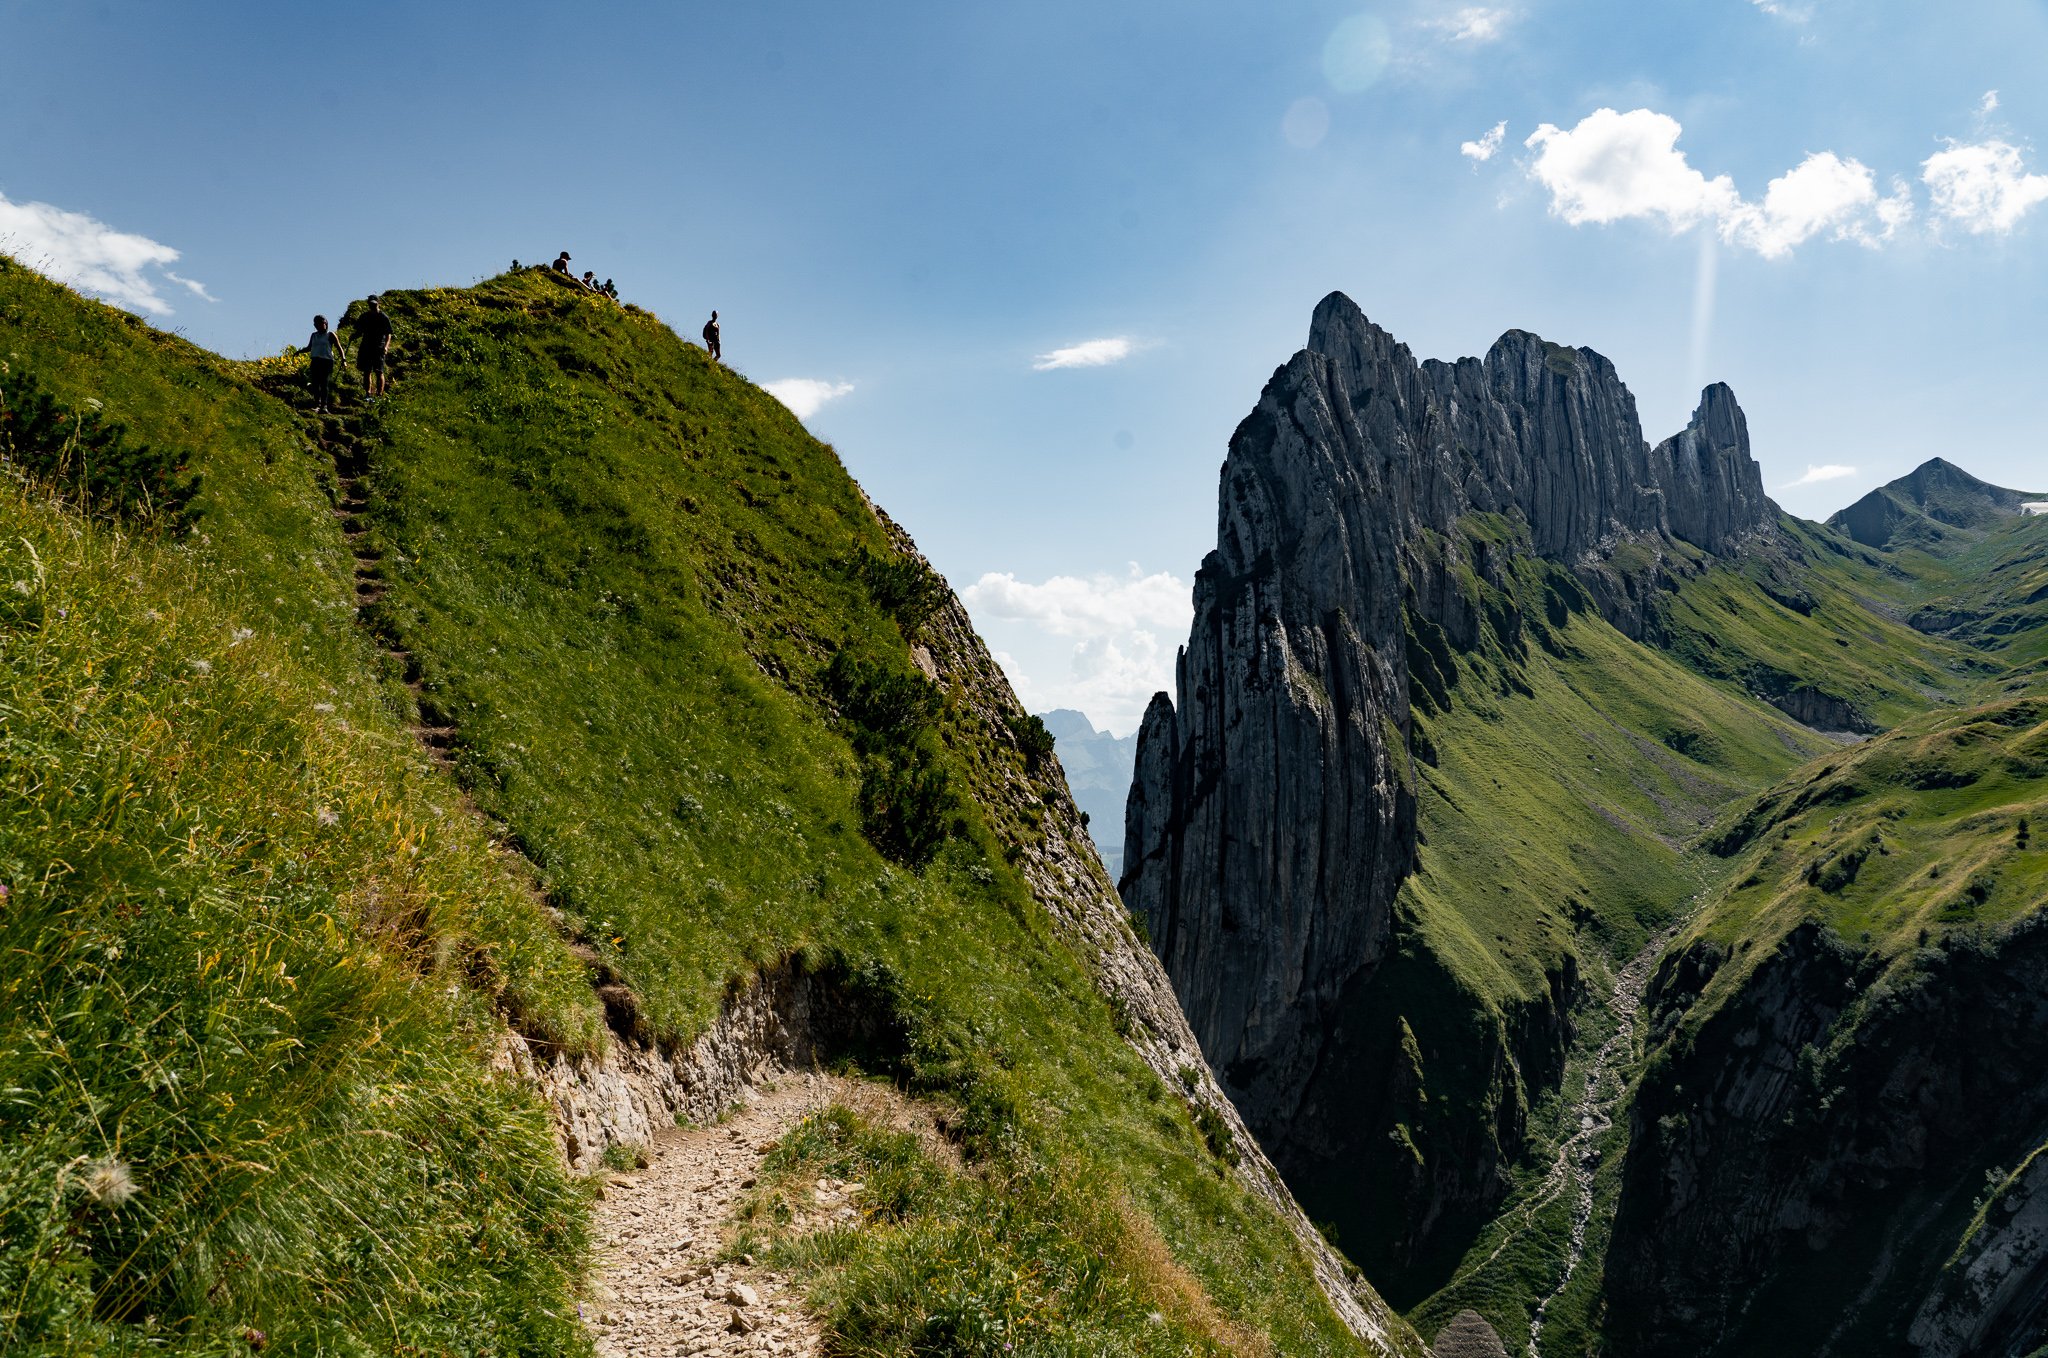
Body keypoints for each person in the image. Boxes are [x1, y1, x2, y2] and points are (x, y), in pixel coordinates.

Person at [354, 295, 395, 398]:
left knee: (379, 371)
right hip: (366, 347)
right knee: (367, 371)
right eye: (371, 304)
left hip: (379, 348)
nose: (372, 306)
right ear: (368, 304)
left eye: (374, 304)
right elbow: (359, 331)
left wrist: (386, 346)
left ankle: (379, 394)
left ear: (378, 303)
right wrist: (353, 336)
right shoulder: (364, 316)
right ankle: (368, 393)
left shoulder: (383, 317)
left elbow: (388, 333)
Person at [305, 315, 346, 413]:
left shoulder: (330, 334)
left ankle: (324, 406)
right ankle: (317, 405)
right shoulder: (314, 335)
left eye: (323, 323)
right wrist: (299, 352)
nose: (320, 325)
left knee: (324, 384)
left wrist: (343, 359)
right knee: (315, 383)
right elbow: (309, 347)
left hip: (326, 361)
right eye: (318, 324)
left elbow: (339, 347)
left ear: (326, 323)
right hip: (315, 360)